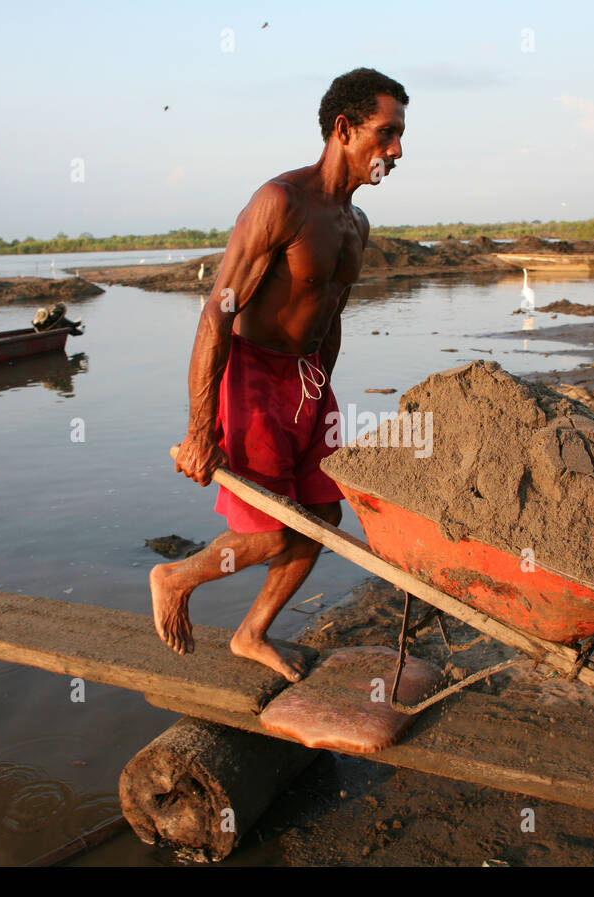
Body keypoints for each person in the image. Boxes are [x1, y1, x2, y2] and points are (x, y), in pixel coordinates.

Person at [151, 68, 408, 682]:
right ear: (344, 130)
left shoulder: (356, 225)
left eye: (400, 136)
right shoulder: (282, 202)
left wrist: (321, 398)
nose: (397, 151)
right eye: (387, 133)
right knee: (269, 533)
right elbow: (217, 312)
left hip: (310, 383)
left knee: (323, 520)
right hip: (253, 379)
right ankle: (175, 576)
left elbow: (332, 316)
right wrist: (199, 430)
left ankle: (251, 633)